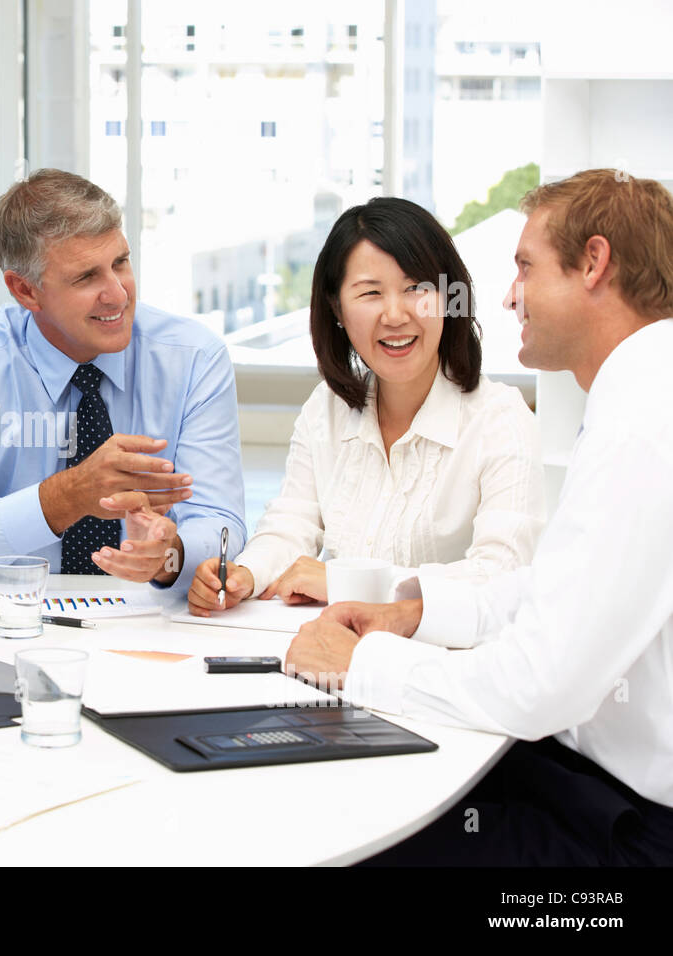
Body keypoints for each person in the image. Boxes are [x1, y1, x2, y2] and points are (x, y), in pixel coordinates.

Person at [287, 169, 673, 864]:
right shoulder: (639, 397)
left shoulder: (643, 425)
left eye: (525, 267)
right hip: (587, 783)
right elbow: (558, 588)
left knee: (361, 840)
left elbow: (537, 687)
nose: (507, 295)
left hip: (631, 834)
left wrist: (364, 662)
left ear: (594, 263)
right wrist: (417, 612)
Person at [187, 198, 544, 616]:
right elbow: (292, 524)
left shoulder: (501, 419)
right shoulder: (327, 409)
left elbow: (502, 574)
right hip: (331, 653)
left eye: (416, 289)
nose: (395, 315)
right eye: (370, 293)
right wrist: (244, 574)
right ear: (337, 309)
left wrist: (348, 584)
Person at [0, 169, 245, 587]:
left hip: (147, 620)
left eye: (120, 263)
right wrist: (68, 496)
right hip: (7, 614)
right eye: (87, 277)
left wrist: (169, 555)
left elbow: (221, 522)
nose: (119, 295)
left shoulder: (194, 357)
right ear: (25, 291)